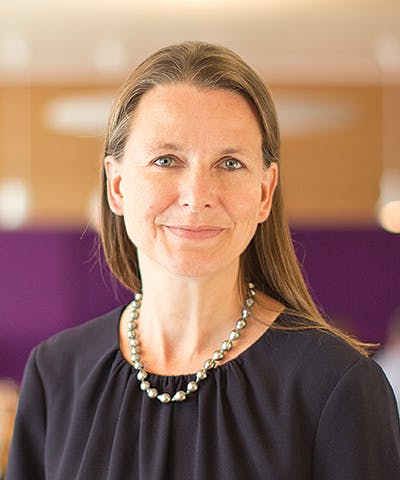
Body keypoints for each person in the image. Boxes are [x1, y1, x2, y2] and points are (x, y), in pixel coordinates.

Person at [7, 41, 400, 479]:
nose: (197, 196)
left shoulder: (337, 385)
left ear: (265, 192)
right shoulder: (55, 375)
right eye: (166, 160)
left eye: (229, 163)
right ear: (117, 186)